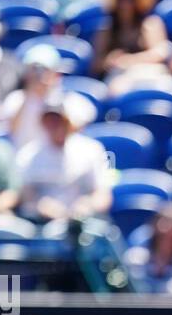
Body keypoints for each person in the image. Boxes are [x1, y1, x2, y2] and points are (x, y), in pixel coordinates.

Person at [14, 95, 114, 223]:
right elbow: (23, 195)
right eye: (49, 120)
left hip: (83, 223)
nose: (54, 125)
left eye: (59, 120)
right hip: (40, 224)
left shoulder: (92, 149)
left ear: (69, 122)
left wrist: (88, 205)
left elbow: (103, 195)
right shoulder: (28, 154)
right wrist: (39, 205)